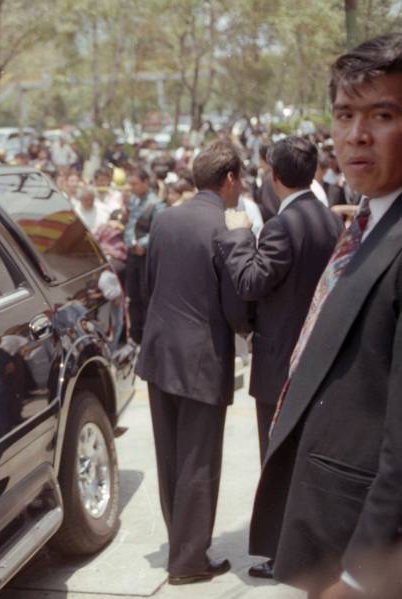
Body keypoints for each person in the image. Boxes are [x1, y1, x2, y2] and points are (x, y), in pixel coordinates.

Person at [250, 33, 402, 598]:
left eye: (382, 114)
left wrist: (364, 575)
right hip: (326, 521)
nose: (356, 134)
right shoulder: (365, 221)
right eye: (344, 114)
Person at [135, 139, 251, 586]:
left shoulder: (165, 220)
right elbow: (237, 306)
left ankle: (181, 545)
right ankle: (188, 561)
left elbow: (149, 285)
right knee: (199, 461)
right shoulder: (227, 227)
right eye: (239, 180)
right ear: (228, 179)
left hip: (161, 350)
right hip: (202, 356)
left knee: (170, 457)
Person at [214, 136, 342, 474]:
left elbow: (250, 283)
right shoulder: (331, 220)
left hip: (280, 364)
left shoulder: (281, 226)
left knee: (277, 465)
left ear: (274, 176)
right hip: (321, 358)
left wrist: (240, 237)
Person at [123, 168, 165, 344]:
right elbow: (129, 226)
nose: (132, 187)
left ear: (146, 182)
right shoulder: (133, 201)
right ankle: (135, 334)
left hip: (146, 258)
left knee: (146, 295)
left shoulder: (156, 204)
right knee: (133, 296)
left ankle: (149, 337)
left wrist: (143, 245)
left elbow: (159, 231)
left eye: (135, 184)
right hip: (132, 255)